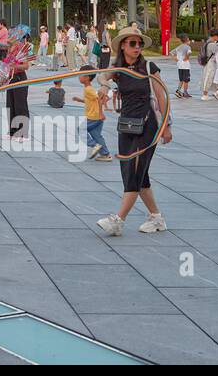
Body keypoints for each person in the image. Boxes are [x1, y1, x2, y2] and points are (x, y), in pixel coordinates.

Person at [96, 26, 171, 236]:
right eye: (132, 43)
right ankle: (156, 218)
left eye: (139, 44)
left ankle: (118, 220)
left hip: (147, 126)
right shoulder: (119, 69)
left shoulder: (148, 67)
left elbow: (162, 96)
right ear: (122, 46)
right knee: (138, 174)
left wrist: (166, 126)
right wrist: (104, 86)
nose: (137, 47)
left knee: (134, 173)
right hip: (127, 125)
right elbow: (102, 77)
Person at [71, 65, 111, 161]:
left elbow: (99, 99)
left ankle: (95, 145)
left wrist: (101, 113)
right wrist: (79, 100)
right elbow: (91, 101)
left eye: (80, 75)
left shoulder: (88, 89)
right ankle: (106, 154)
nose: (79, 77)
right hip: (96, 117)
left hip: (94, 117)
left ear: (87, 77)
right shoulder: (89, 89)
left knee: (80, 129)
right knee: (96, 135)